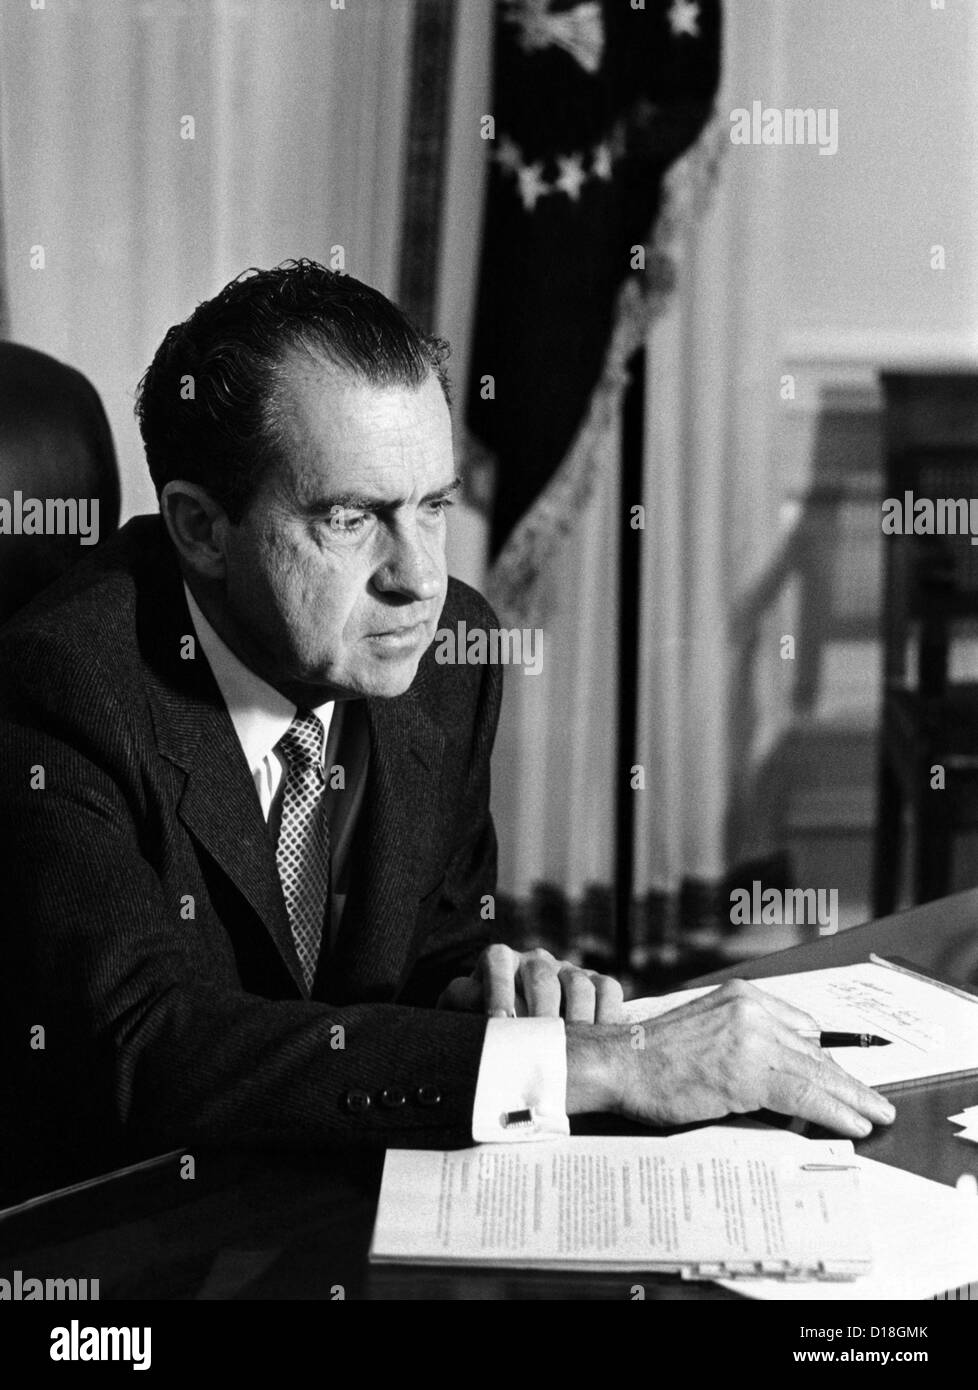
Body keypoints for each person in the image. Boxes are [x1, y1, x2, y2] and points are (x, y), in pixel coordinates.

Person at [0, 261, 894, 1192]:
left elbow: (428, 942)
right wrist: (604, 1067)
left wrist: (495, 994)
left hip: (343, 1194)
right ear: (200, 529)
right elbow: (156, 1052)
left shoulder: (449, 650)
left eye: (433, 506)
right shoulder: (59, 689)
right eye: (352, 519)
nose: (419, 577)